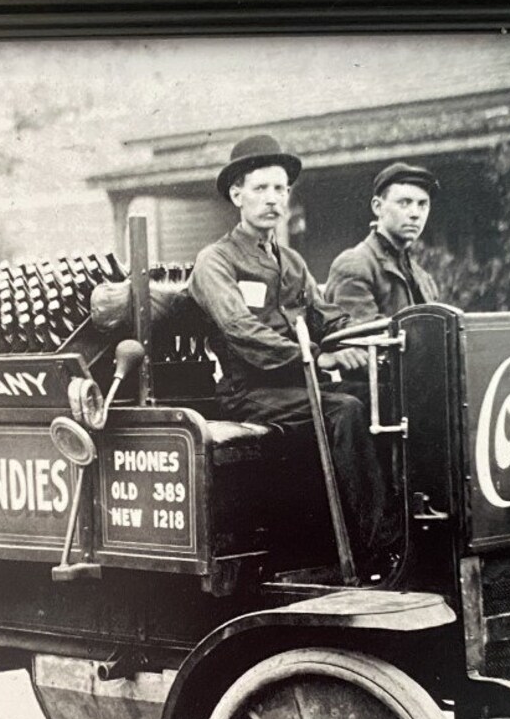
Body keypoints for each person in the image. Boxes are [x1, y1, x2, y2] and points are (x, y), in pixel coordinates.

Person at [186, 134, 399, 570]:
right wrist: (317, 357)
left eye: (281, 189)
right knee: (346, 410)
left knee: (387, 396)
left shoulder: (293, 263)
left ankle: (411, 525)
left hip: (297, 385)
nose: (273, 199)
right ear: (237, 195)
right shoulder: (216, 261)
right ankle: (379, 549)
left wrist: (356, 338)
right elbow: (240, 329)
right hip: (250, 392)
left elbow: (327, 315)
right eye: (261, 188)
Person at [326, 162, 441, 326]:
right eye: (404, 203)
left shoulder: (423, 279)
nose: (415, 214)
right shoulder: (355, 266)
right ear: (377, 207)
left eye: (423, 204)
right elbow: (361, 338)